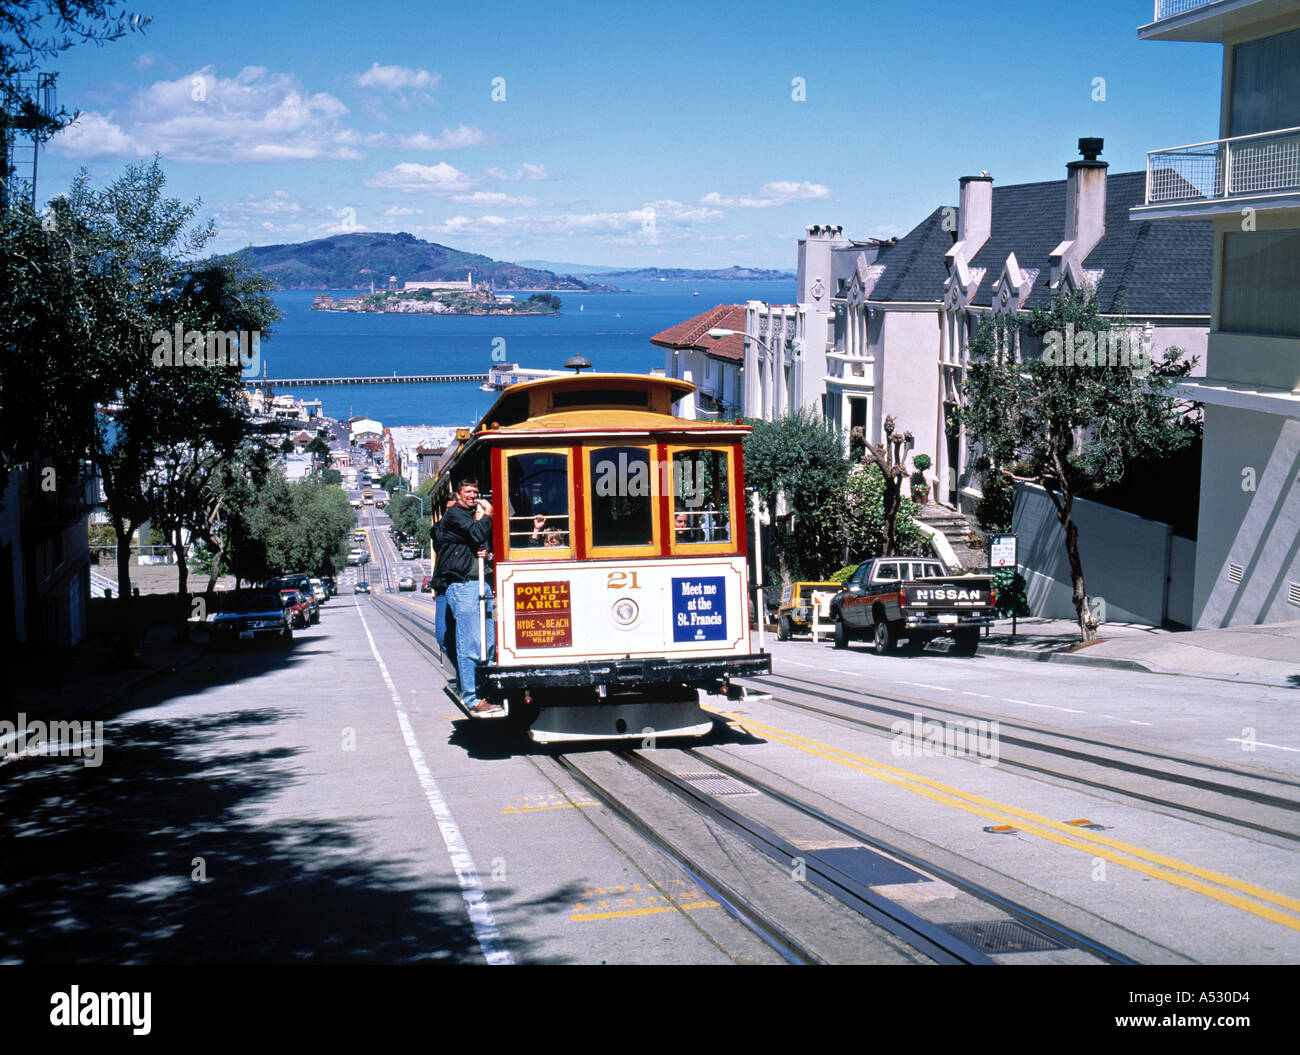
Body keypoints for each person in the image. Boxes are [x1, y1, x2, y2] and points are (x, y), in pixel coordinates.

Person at [439, 476, 500, 714]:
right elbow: (476, 535)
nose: (472, 495)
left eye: (475, 491)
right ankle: (472, 698)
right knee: (470, 644)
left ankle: (488, 691)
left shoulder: (472, 515)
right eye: (468, 492)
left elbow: (479, 539)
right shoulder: (455, 514)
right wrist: (488, 514)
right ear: (458, 494)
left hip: (480, 583)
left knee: (489, 642)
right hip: (463, 585)